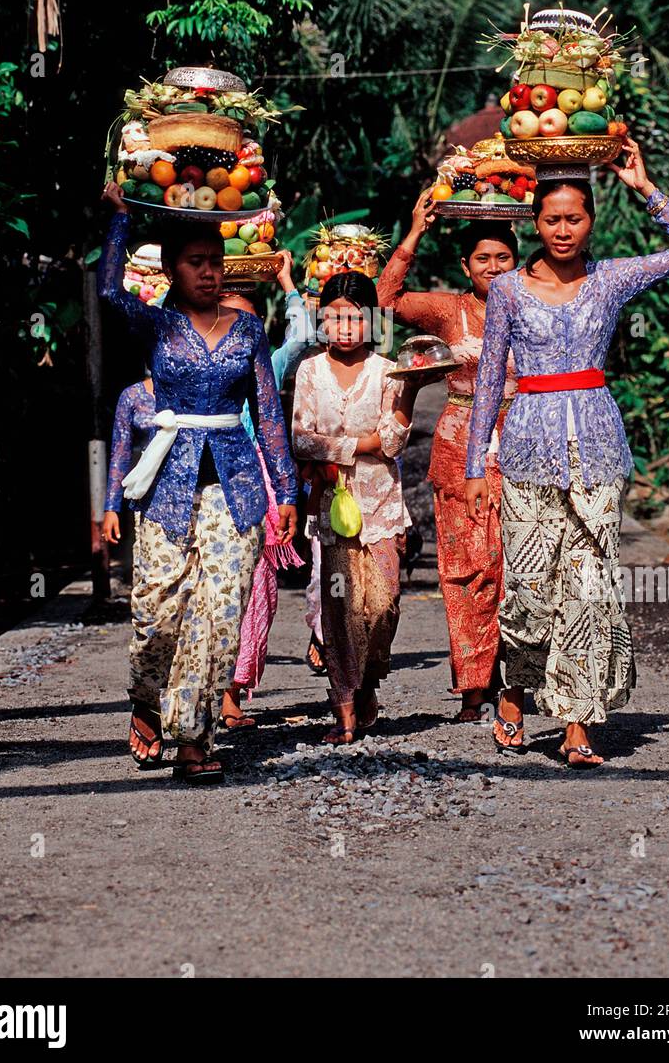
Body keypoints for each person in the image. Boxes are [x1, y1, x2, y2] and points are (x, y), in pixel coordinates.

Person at [465, 141, 669, 767]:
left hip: (597, 448)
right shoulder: (510, 291)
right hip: (526, 451)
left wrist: (644, 186)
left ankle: (577, 723)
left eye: (575, 218)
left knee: (590, 587)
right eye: (552, 219)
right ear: (535, 224)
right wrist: (473, 466)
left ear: (591, 221)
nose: (564, 230)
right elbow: (491, 377)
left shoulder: (611, 278)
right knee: (527, 589)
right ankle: (514, 689)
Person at [99, 182, 298, 784]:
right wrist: (120, 222)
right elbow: (109, 291)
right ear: (170, 270)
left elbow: (267, 414)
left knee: (219, 613)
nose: (209, 274)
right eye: (196, 263)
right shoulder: (157, 327)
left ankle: (192, 735)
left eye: (216, 263)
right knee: (156, 612)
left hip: (234, 489)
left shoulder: (247, 333)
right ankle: (145, 700)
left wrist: (285, 495)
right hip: (166, 485)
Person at [377, 193, 518, 721]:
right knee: (464, 569)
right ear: (465, 266)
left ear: (518, 262)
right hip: (459, 447)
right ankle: (473, 687)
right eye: (483, 259)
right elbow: (386, 298)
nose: (493, 267)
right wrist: (415, 231)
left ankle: (515, 683)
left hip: (525, 444)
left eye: (503, 258)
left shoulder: (531, 300)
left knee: (514, 567)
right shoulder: (449, 309)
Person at [292, 272, 418, 744]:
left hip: (381, 504)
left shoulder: (390, 372)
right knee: (340, 607)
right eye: (336, 316)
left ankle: (366, 685)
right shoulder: (309, 371)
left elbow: (394, 440)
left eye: (354, 317)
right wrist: (358, 445)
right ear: (322, 318)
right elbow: (301, 438)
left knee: (383, 607)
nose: (345, 326)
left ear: (371, 320)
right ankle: (343, 708)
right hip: (330, 506)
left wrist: (341, 446)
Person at [218, 252, 308, 727]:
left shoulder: (270, 363)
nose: (242, 335)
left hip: (262, 488)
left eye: (250, 326)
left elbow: (304, 336)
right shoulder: (197, 370)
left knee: (258, 590)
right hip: (211, 482)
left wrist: (287, 280)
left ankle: (234, 688)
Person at [101, 376, 156, 549]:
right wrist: (111, 507)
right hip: (148, 493)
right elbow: (120, 453)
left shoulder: (194, 389)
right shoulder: (132, 396)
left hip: (195, 487)